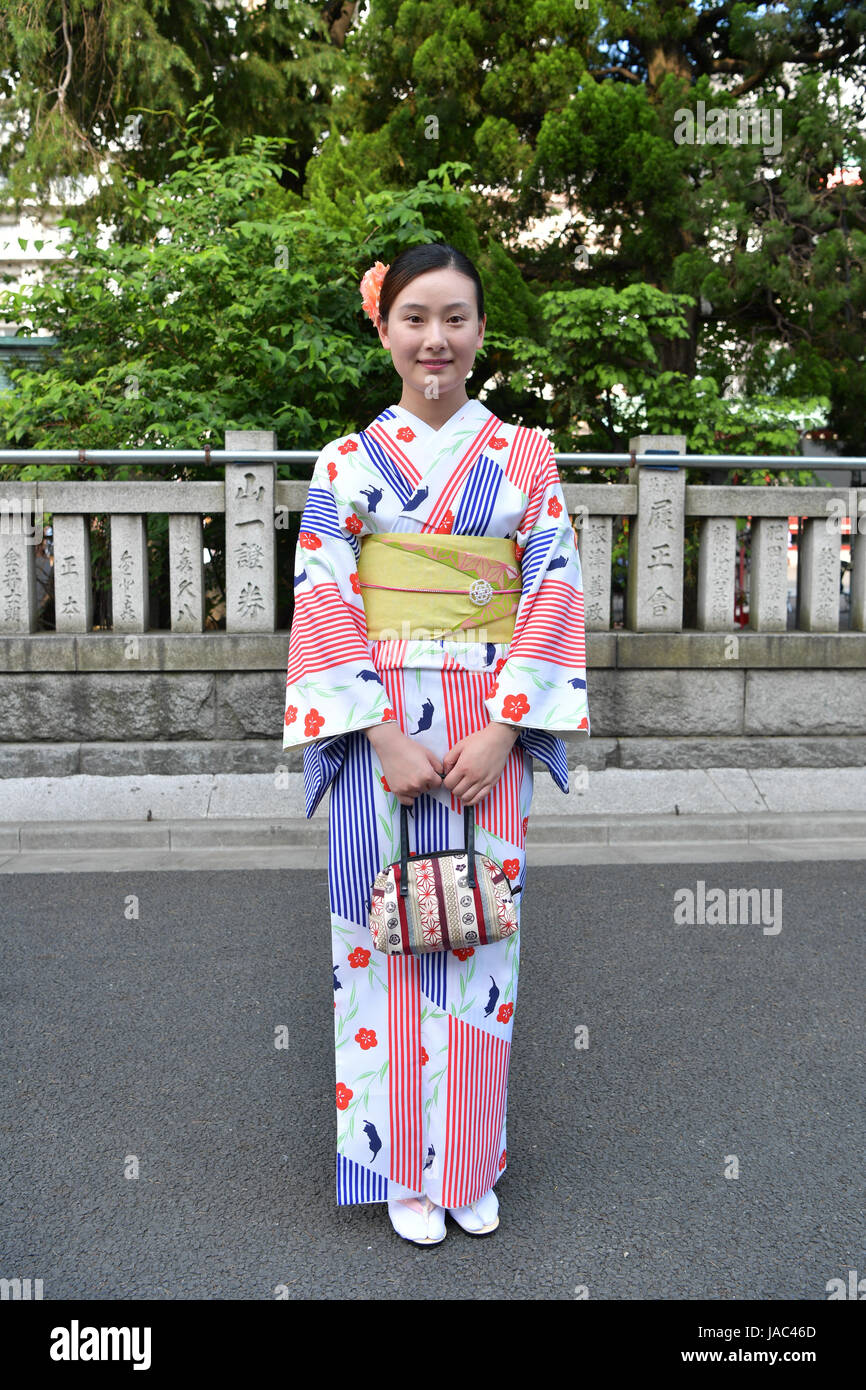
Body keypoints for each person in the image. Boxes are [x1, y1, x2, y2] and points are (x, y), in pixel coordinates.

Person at [282, 242, 590, 1245]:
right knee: (379, 937)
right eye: (415, 317)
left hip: (487, 720)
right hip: (380, 725)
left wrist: (507, 727)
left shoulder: (523, 458)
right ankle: (393, 1163)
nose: (435, 339)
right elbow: (325, 594)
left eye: (454, 318)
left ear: (479, 332)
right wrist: (373, 728)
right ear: (384, 329)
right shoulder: (342, 464)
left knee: (475, 932)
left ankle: (464, 1161)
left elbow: (550, 586)